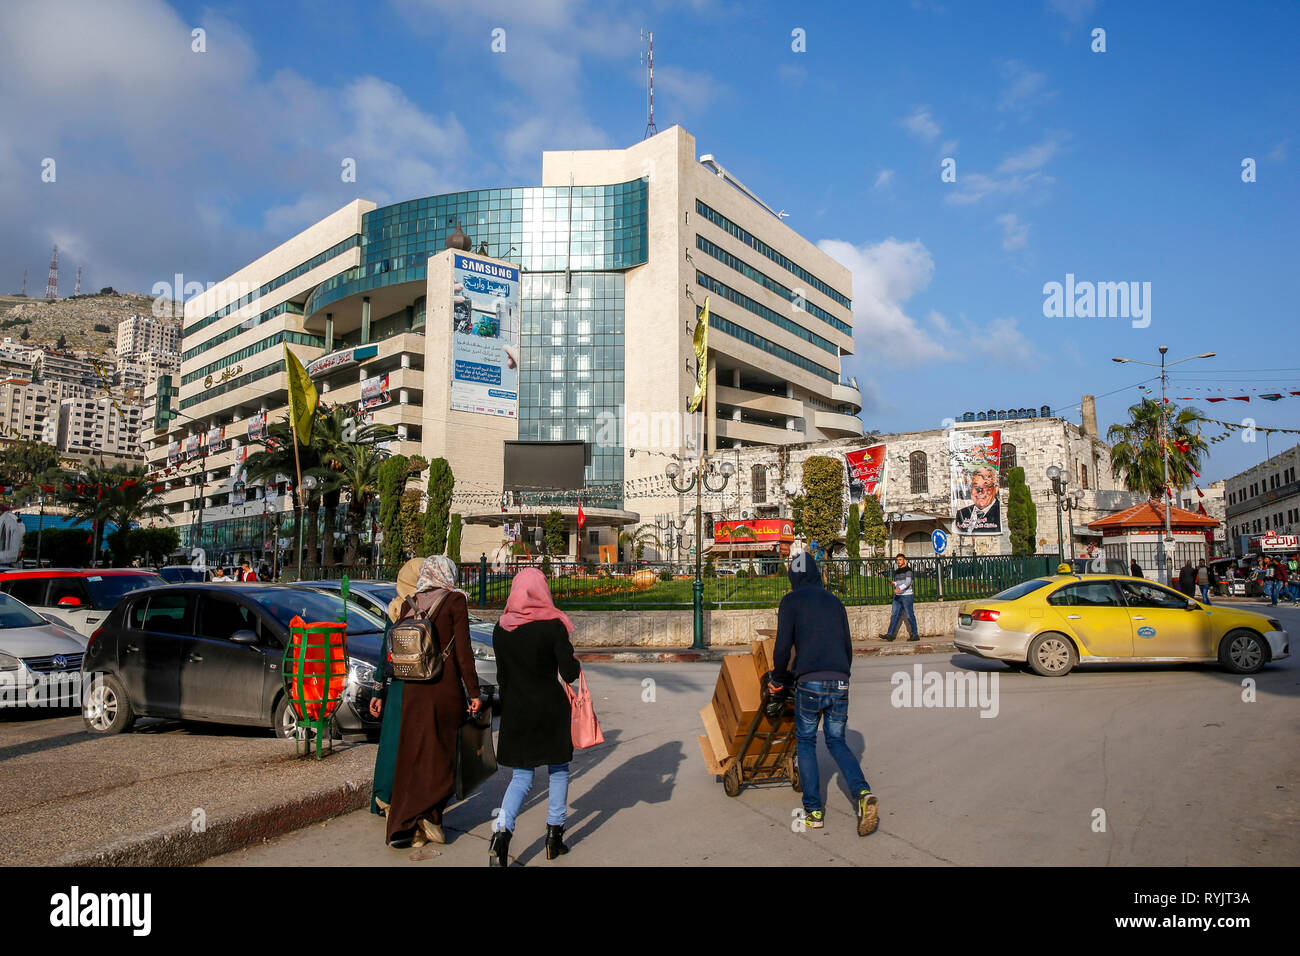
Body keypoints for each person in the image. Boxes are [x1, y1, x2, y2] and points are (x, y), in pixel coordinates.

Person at [769, 553, 878, 836]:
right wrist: (843, 676)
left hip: (810, 683)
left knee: (805, 742)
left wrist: (778, 679)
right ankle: (863, 794)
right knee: (837, 741)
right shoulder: (834, 601)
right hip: (840, 680)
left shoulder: (791, 601)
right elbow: (847, 646)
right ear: (816, 573)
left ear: (794, 576)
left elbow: (782, 648)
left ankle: (814, 812)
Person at [385, 556, 482, 849]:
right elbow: (463, 651)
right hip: (443, 689)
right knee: (444, 754)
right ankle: (427, 816)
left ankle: (411, 824)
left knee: (413, 754)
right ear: (448, 575)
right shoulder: (455, 601)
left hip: (412, 690)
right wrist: (474, 693)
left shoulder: (408, 603)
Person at [490, 568, 582, 867]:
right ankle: (554, 838)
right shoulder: (552, 626)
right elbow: (569, 673)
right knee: (558, 769)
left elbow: (502, 678)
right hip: (550, 710)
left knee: (521, 776)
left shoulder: (501, 628)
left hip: (517, 710)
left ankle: (501, 833)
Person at [369, 557, 421, 819]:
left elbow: (383, 654)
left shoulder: (396, 609)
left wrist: (378, 691)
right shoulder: (429, 609)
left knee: (392, 743)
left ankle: (383, 797)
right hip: (423, 687)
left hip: (399, 686)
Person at [879, 553, 918, 642]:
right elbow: (899, 582)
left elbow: (908, 583)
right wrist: (895, 583)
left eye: (900, 559)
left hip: (907, 596)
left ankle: (915, 634)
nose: (898, 561)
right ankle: (890, 634)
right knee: (894, 615)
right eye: (897, 560)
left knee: (909, 615)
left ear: (904, 560)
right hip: (898, 596)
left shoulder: (908, 570)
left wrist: (899, 588)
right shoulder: (897, 571)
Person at [955, 466, 1001, 534]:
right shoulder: (961, 513)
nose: (980, 491)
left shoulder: (1000, 513)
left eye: (986, 486)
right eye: (976, 486)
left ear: (996, 489)